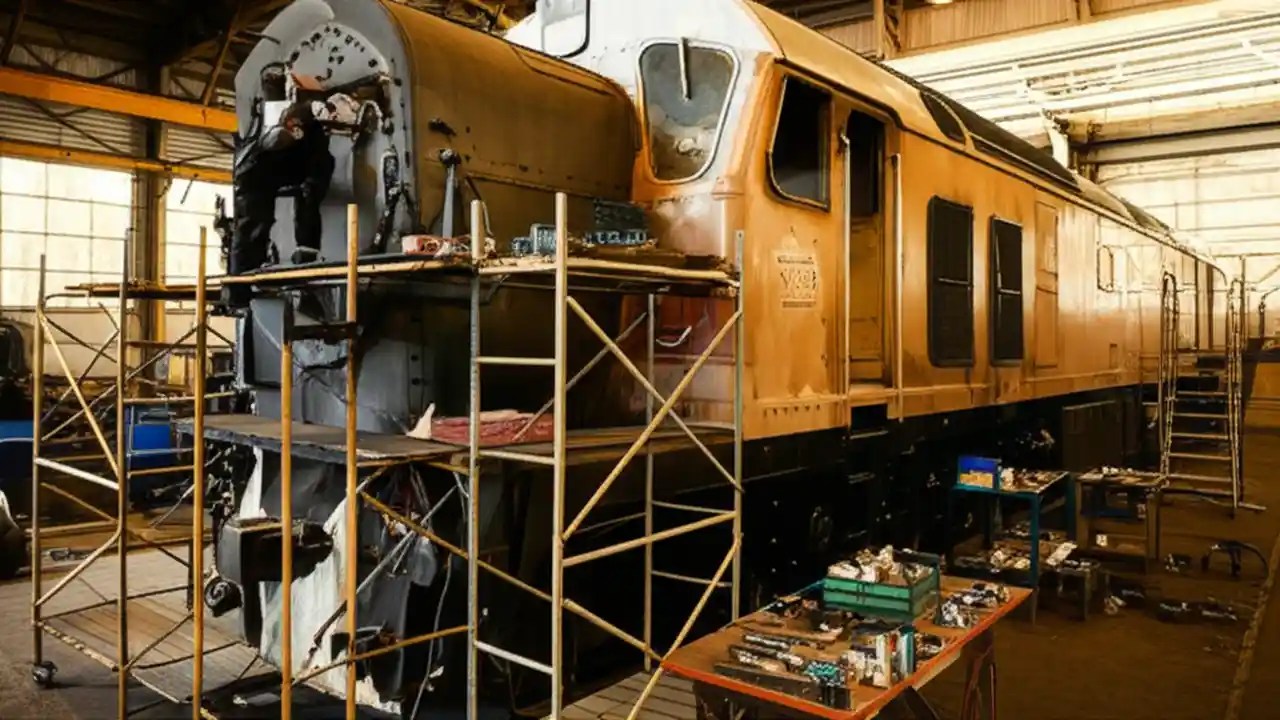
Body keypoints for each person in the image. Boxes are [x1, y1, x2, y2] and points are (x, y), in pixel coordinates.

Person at [226, 66, 335, 306]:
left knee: (253, 221)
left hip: (268, 168)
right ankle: (240, 290)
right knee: (253, 221)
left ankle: (240, 289)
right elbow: (275, 141)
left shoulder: (273, 122)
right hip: (262, 169)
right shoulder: (280, 119)